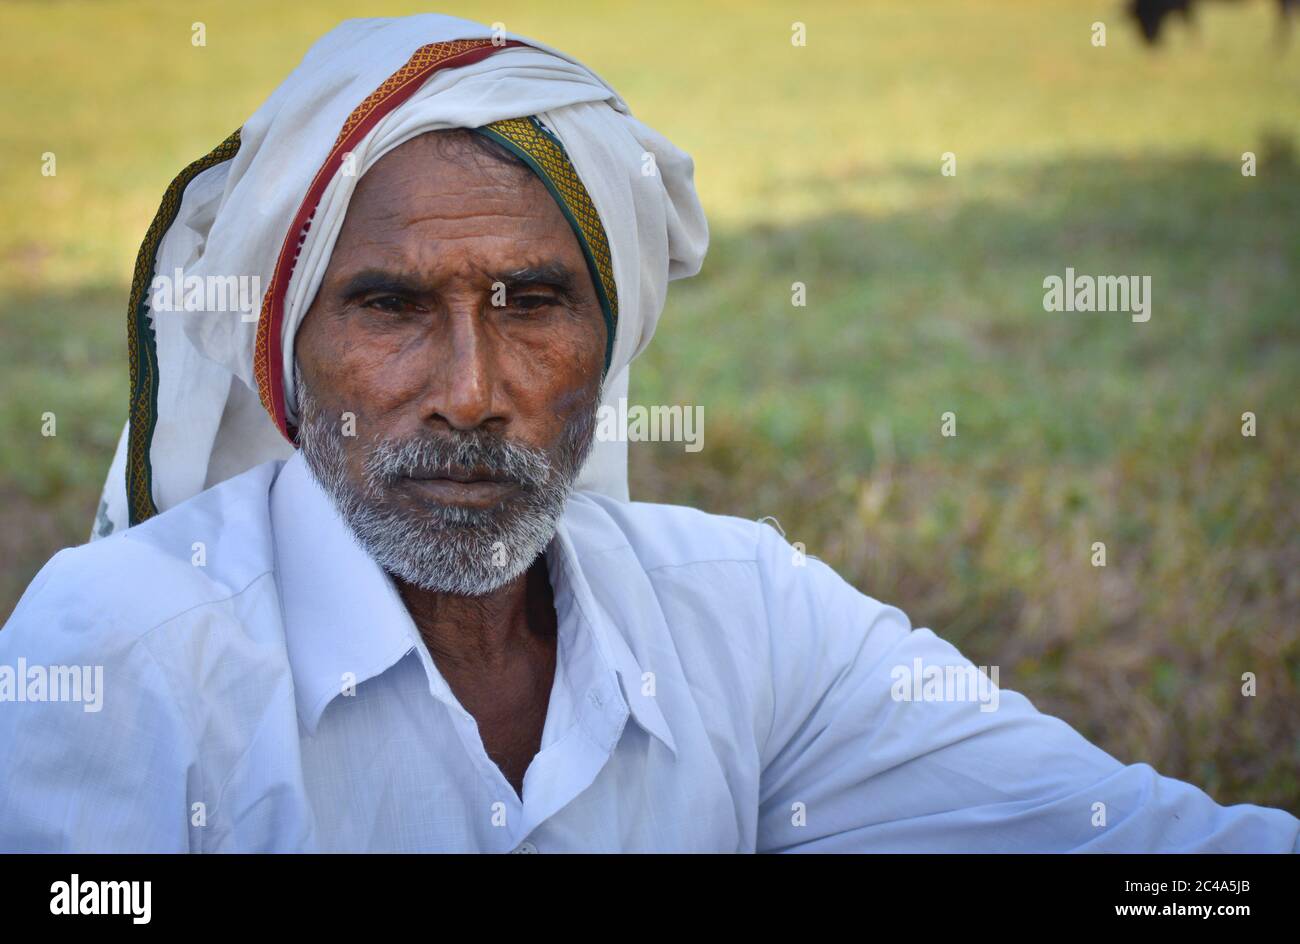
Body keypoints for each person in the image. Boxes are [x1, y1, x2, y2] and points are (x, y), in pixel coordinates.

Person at [1, 14, 1295, 853]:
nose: (470, 389)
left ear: (609, 344)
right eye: (389, 306)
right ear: (289, 357)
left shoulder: (744, 620)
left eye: (535, 305)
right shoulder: (122, 658)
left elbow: (1133, 849)